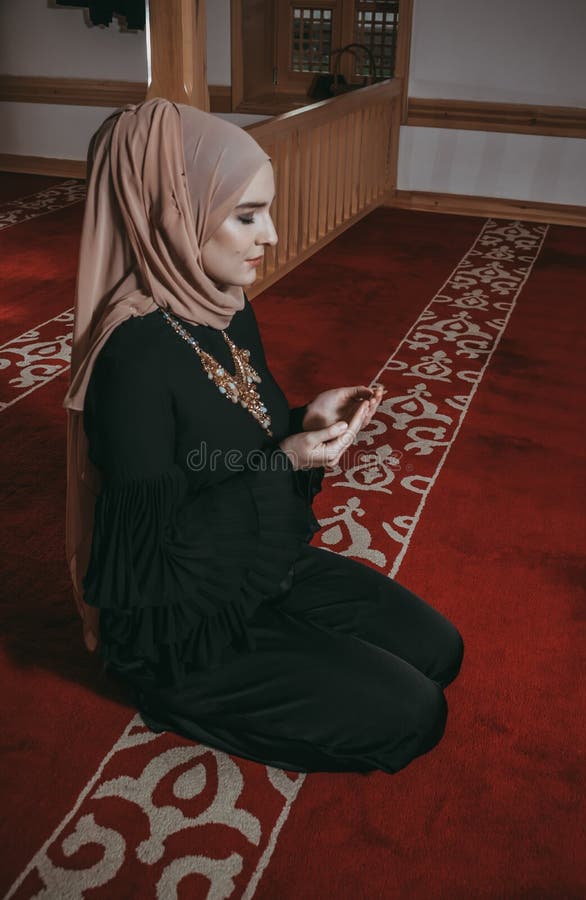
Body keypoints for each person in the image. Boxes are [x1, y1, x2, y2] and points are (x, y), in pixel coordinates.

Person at [63, 98, 463, 774]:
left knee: (438, 650)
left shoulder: (221, 300)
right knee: (414, 717)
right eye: (247, 217)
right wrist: (284, 466)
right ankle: (176, 700)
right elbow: (149, 559)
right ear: (172, 216)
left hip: (254, 556)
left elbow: (242, 429)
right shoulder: (130, 358)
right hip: (177, 622)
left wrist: (307, 419)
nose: (270, 236)